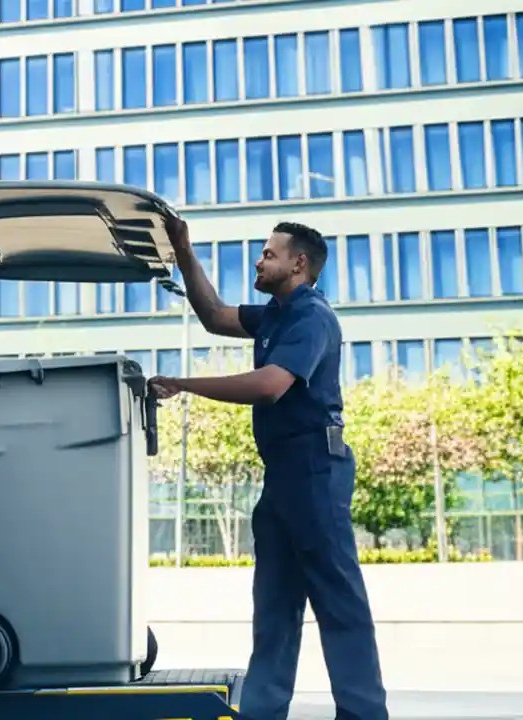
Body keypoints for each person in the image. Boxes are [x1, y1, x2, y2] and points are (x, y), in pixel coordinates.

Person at [148, 216, 388, 720]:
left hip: (316, 472)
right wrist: (184, 250)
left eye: (268, 254)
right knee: (274, 608)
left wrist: (185, 385)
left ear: (298, 264)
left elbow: (269, 385)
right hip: (281, 476)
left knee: (339, 606)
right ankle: (262, 713)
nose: (258, 261)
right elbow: (213, 314)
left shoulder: (312, 318)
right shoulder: (276, 315)